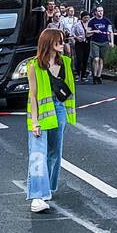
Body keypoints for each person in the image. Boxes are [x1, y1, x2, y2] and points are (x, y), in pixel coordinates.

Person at [25, 27, 75, 213]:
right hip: (41, 114)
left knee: (55, 152)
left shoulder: (66, 63)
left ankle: (47, 189)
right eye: (59, 41)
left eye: (63, 40)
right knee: (38, 154)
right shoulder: (34, 66)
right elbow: (33, 96)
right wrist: (35, 122)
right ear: (49, 42)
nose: (62, 43)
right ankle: (37, 196)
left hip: (60, 111)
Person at [85, 6, 112, 84]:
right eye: (99, 11)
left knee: (101, 59)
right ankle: (94, 75)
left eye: (102, 11)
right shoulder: (92, 21)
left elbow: (110, 32)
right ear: (96, 12)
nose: (101, 12)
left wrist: (111, 41)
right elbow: (87, 33)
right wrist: (94, 31)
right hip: (95, 42)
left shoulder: (106, 21)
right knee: (96, 59)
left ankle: (99, 76)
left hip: (104, 42)